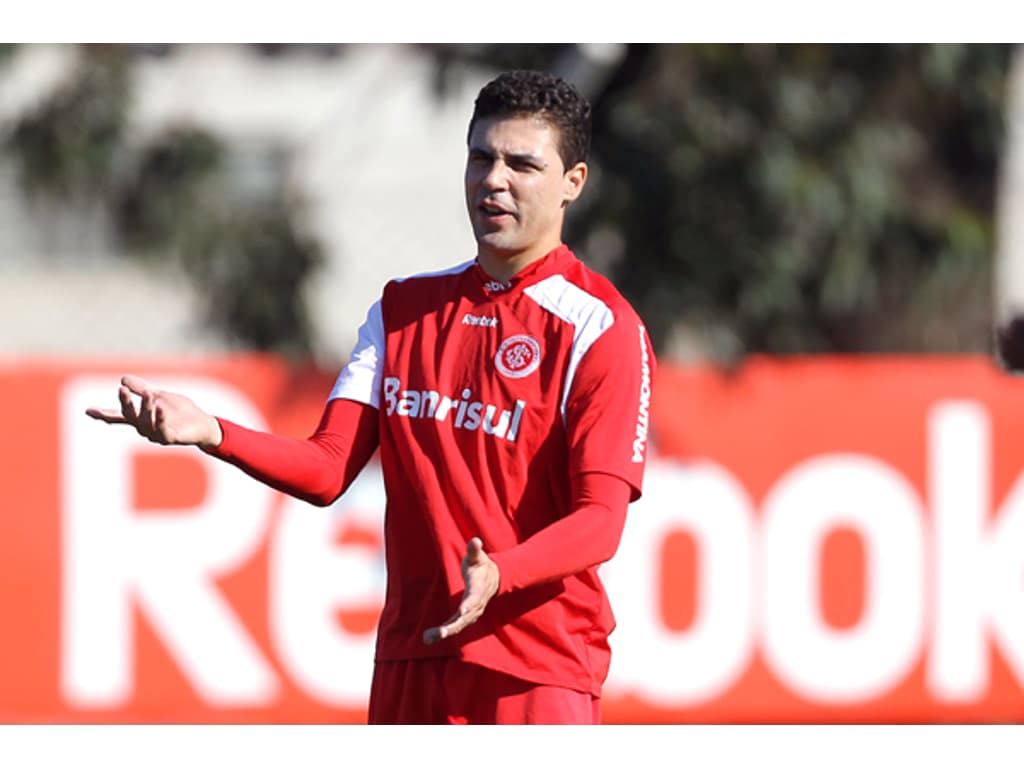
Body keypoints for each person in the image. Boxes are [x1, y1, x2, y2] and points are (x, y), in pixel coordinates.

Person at [87, 69, 656, 724]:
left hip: (534, 673)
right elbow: (328, 468)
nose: (494, 180)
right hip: (408, 664)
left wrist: (502, 573)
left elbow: (599, 521)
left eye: (522, 164)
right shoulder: (402, 310)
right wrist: (213, 431)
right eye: (481, 157)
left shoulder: (600, 327)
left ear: (572, 185)